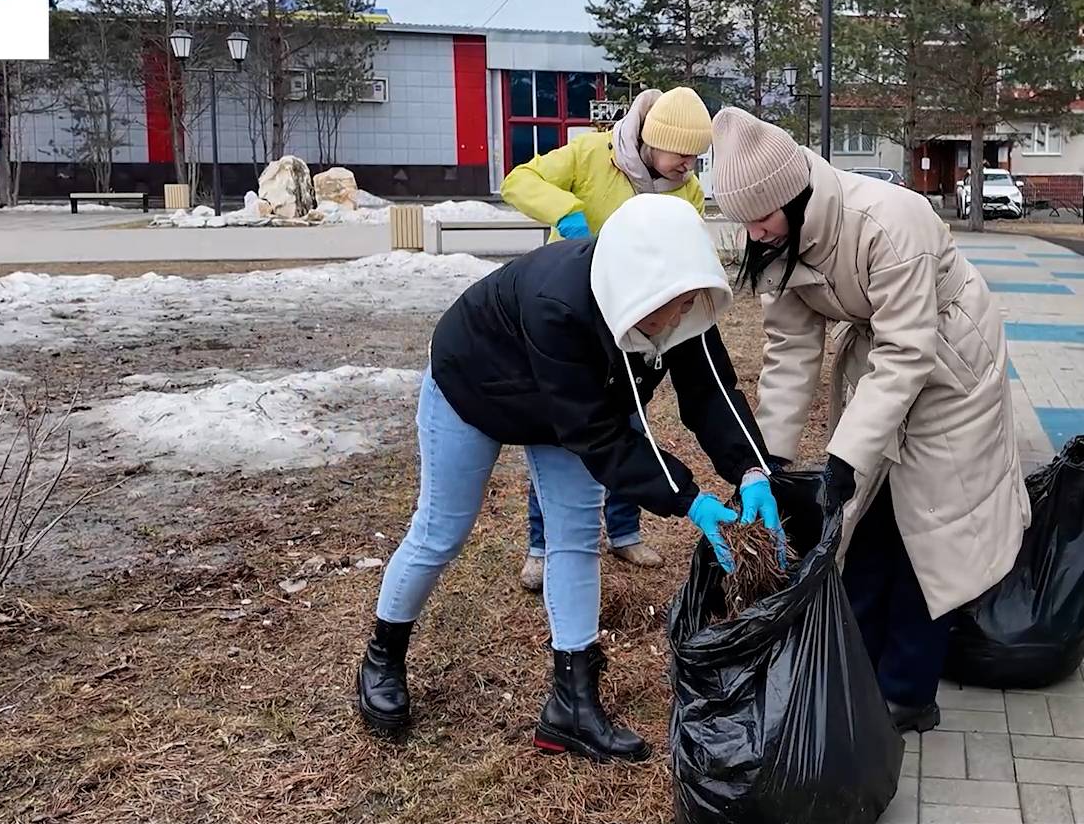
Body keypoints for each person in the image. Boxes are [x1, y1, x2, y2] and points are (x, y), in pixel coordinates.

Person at [355, 194, 782, 760]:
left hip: (567, 404)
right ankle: (382, 656)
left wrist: (752, 470)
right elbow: (598, 434)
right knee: (442, 531)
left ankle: (571, 706)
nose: (678, 319)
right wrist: (689, 499)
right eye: (670, 309)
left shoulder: (679, 294)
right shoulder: (557, 304)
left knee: (576, 535)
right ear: (633, 290)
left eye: (686, 306)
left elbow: (710, 390)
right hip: (476, 386)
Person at [705, 108, 1029, 734]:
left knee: (930, 526)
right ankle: (858, 664)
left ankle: (907, 691)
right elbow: (790, 351)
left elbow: (909, 351)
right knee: (867, 516)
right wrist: (767, 462)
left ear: (795, 196)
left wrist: (844, 456)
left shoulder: (889, 221)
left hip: (950, 361)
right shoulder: (774, 239)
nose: (754, 232)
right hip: (885, 362)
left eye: (762, 217)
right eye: (744, 220)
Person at [499, 86, 715, 590]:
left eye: (696, 156)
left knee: (630, 425)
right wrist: (564, 208)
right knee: (559, 434)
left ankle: (624, 531)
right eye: (681, 153)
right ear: (653, 139)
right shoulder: (591, 153)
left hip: (636, 320)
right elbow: (518, 180)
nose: (689, 166)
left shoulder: (686, 190)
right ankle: (541, 545)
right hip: (572, 317)